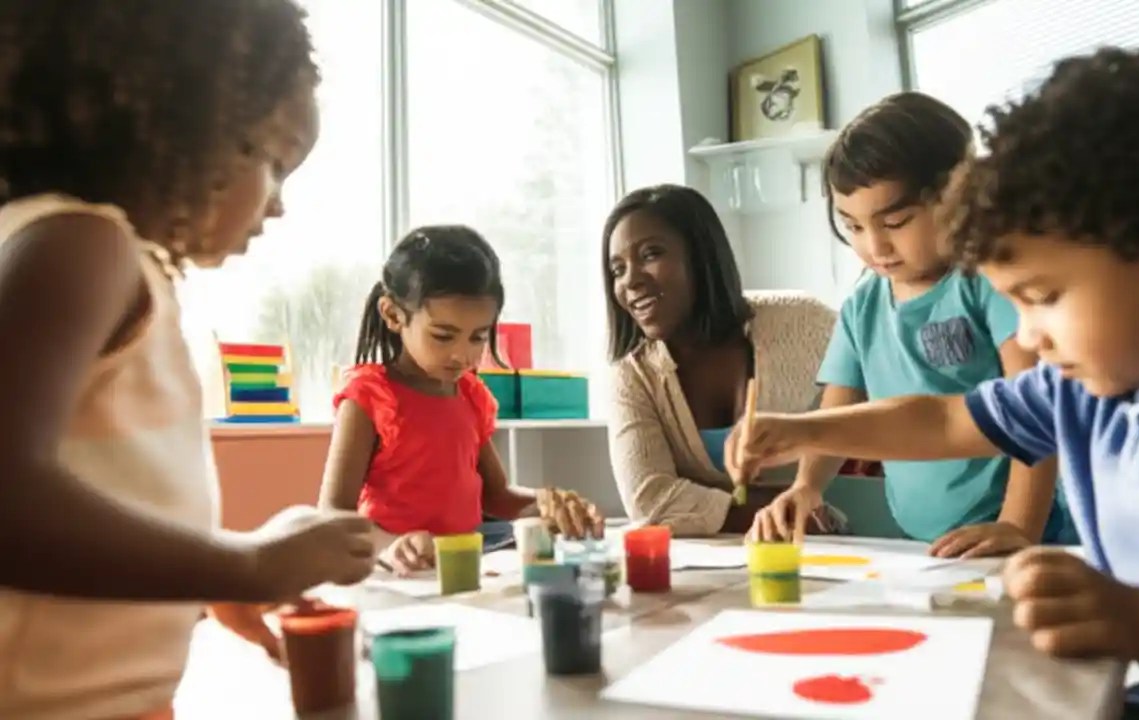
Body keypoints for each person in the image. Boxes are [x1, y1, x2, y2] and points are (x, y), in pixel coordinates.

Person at [727, 46, 1139, 717]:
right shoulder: (1083, 389)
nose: (1029, 334)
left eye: (1043, 295)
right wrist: (800, 432)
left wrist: (1138, 620)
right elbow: (941, 420)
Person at [0, 1, 376, 717]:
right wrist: (250, 562)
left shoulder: (92, 259)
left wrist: (212, 574)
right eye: (272, 160)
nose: (278, 206)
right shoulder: (83, 245)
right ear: (180, 119)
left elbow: (96, 493)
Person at [752, 92, 1074, 558]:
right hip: (926, 544)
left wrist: (1018, 525)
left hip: (1024, 538)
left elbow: (1034, 410)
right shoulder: (862, 305)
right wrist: (806, 486)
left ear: (956, 197)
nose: (875, 246)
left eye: (896, 221)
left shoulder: (987, 281)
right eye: (854, 227)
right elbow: (836, 415)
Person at [320, 226, 605, 575]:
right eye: (443, 336)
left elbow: (497, 495)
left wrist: (552, 503)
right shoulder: (369, 396)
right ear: (394, 316)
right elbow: (333, 513)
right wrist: (391, 545)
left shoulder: (470, 395)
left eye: (477, 337)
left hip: (466, 564)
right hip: (396, 571)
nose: (462, 355)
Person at [604, 183, 844, 536]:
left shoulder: (805, 322)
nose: (631, 281)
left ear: (702, 256)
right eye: (617, 269)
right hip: (712, 569)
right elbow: (651, 502)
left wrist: (709, 504)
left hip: (833, 553)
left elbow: (885, 396)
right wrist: (792, 508)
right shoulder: (632, 375)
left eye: (651, 254)